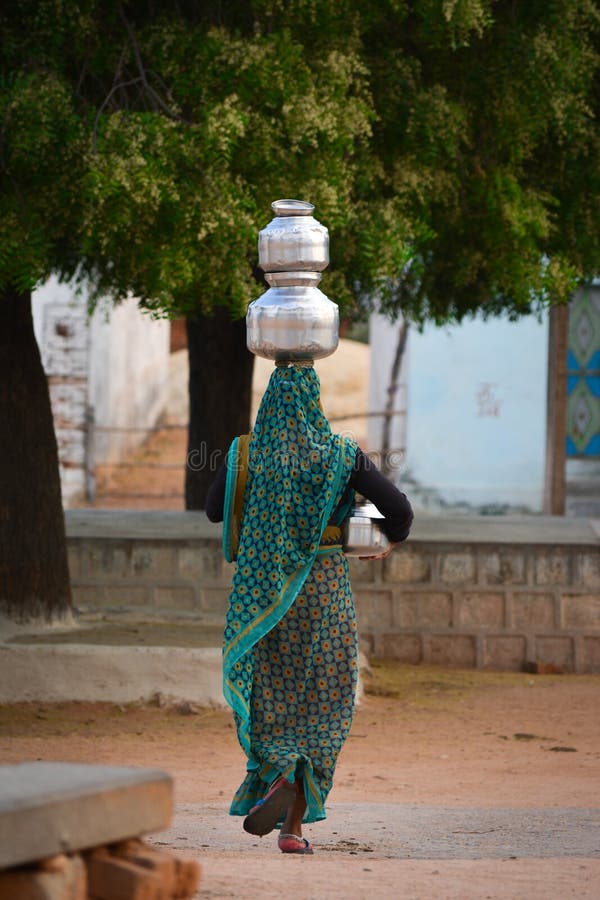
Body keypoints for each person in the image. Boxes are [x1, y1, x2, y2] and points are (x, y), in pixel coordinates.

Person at [206, 362, 413, 855]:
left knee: (273, 701)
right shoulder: (342, 455)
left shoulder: (245, 452)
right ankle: (292, 828)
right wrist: (366, 529)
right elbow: (400, 514)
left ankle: (278, 777)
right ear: (316, 402)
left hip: (265, 600)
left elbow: (215, 510)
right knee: (324, 704)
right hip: (323, 598)